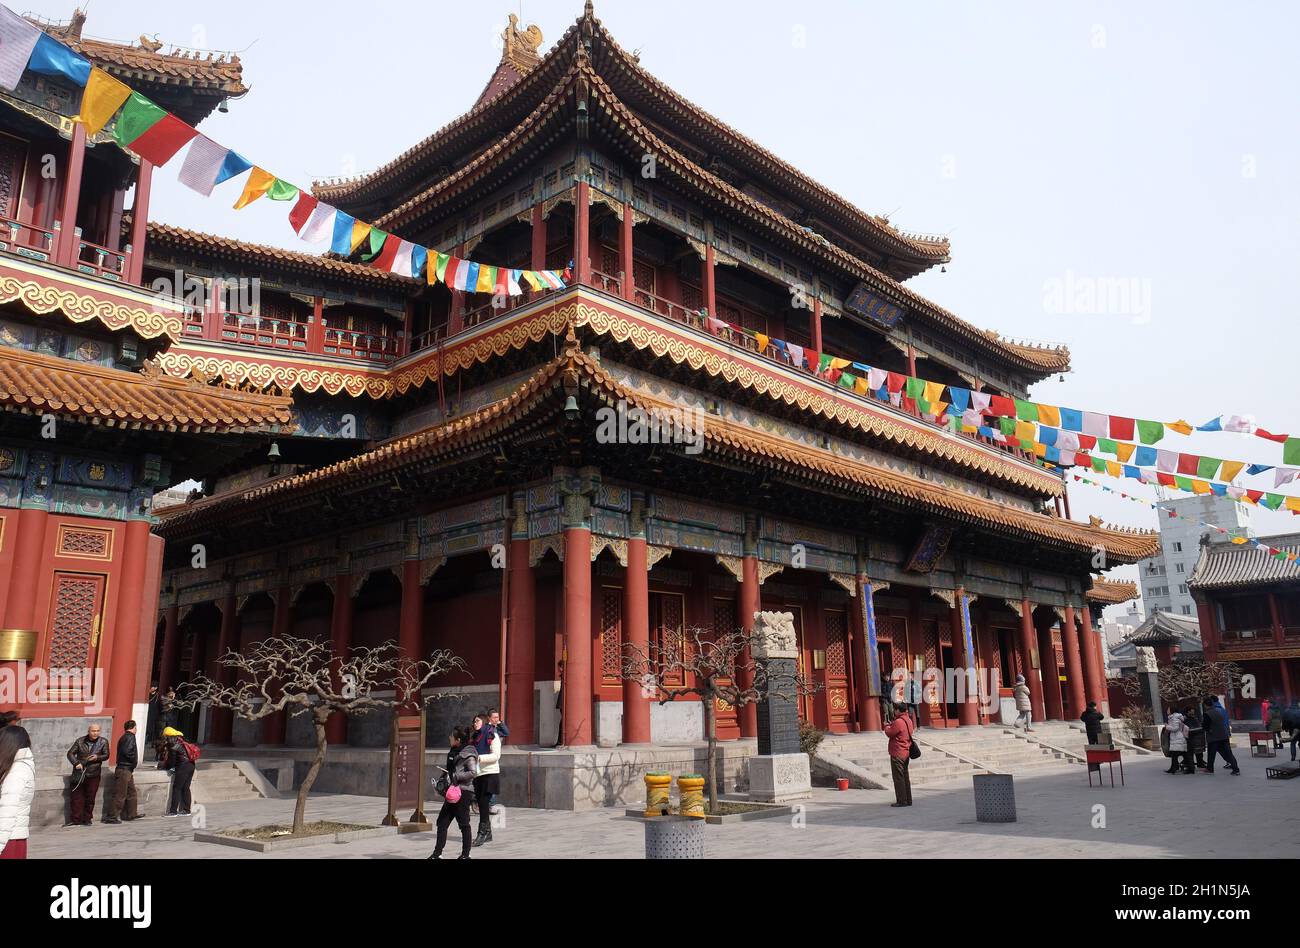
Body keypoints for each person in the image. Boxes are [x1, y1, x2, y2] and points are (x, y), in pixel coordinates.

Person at [429, 725, 479, 859]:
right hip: (451, 791)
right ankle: (437, 854)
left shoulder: (468, 753)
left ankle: (465, 855)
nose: (449, 738)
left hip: (463, 792)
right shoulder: (453, 752)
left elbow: (473, 772)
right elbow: (450, 770)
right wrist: (442, 780)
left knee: (463, 824)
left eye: (451, 736)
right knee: (442, 822)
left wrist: (456, 777)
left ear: (457, 740)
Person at [0, 725, 35, 859]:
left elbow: (7, 813)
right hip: (13, 836)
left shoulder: (17, 772)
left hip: (7, 838)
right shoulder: (20, 766)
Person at [66, 723, 110, 826]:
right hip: (80, 772)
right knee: (76, 797)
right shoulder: (80, 741)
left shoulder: (103, 741)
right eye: (93, 731)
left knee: (90, 797)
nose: (95, 733)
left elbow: (106, 755)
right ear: (88, 731)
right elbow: (70, 753)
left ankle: (87, 818)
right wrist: (76, 763)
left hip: (93, 773)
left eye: (97, 731)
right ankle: (75, 819)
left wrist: (97, 758)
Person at [471, 712, 501, 847]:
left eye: (477, 721)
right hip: (478, 774)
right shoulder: (475, 738)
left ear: (483, 722)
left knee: (483, 804)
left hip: (490, 773)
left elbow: (496, 756)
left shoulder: (492, 735)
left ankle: (482, 833)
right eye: (474, 721)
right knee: (481, 804)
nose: (475, 723)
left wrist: (479, 758)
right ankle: (488, 833)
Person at [105, 720, 142, 824]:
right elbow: (127, 752)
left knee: (131, 792)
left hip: (127, 769)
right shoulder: (130, 737)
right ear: (134, 727)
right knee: (120, 794)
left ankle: (131, 813)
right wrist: (132, 761)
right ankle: (112, 816)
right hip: (124, 769)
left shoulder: (125, 737)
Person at [883, 701, 915, 807]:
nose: (894, 711)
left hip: (898, 752)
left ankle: (902, 800)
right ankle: (908, 799)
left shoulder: (899, 722)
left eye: (895, 709)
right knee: (905, 776)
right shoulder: (908, 720)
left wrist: (886, 726)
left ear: (897, 710)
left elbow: (890, 733)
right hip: (906, 751)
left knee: (898, 777)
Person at [161, 727, 197, 817]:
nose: (165, 739)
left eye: (165, 737)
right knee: (186, 787)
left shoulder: (173, 745)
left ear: (168, 736)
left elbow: (172, 762)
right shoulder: (182, 740)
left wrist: (166, 766)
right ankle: (186, 810)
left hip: (183, 767)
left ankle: (173, 811)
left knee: (177, 788)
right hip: (191, 765)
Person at [1202, 696, 1240, 775]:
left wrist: (1208, 730)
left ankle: (1210, 768)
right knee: (1228, 753)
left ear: (1205, 705)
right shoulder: (1219, 711)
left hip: (1213, 737)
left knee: (1211, 754)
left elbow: (1205, 726)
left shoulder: (1207, 714)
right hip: (1224, 735)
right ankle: (1236, 769)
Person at [1164, 707, 1192, 774]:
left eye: (1168, 709)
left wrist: (1167, 726)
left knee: (1180, 754)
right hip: (1177, 738)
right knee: (1176, 754)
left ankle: (1189, 768)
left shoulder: (1174, 718)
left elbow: (1175, 728)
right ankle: (1174, 768)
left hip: (1177, 738)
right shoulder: (1174, 717)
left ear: (1172, 710)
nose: (1167, 711)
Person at [1184, 704, 1208, 770]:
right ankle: (1190, 765)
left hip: (1198, 738)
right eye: (1191, 711)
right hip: (1190, 738)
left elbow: (1199, 725)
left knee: (1199, 752)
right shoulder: (1185, 719)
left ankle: (1200, 763)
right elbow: (1187, 729)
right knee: (1190, 753)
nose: (1193, 713)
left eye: (1193, 711)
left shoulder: (1195, 718)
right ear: (1187, 712)